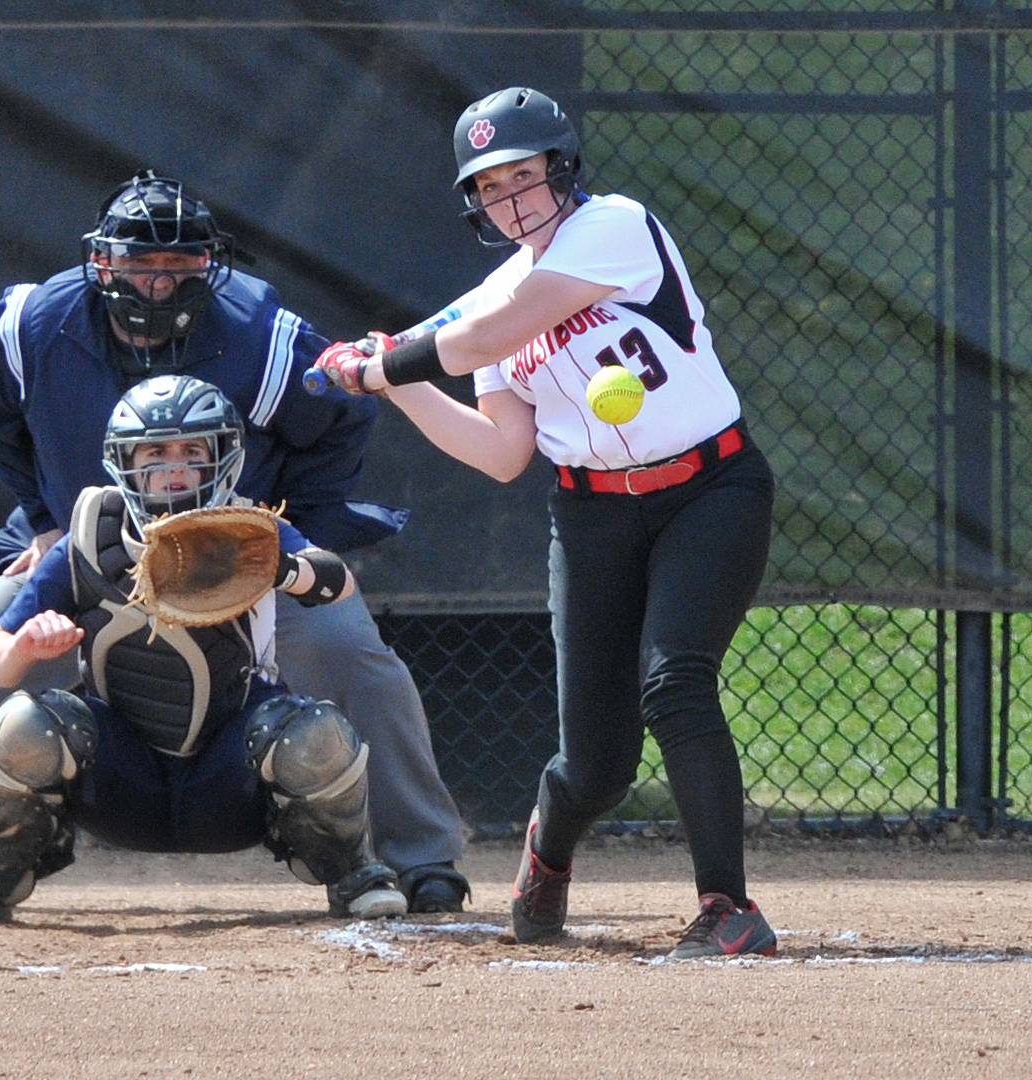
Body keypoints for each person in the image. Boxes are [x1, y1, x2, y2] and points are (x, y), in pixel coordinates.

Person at [0, 170, 469, 916]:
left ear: (210, 266)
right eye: (139, 262)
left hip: (235, 554)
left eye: (180, 264)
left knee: (351, 651)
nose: (158, 281)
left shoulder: (261, 336)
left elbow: (342, 423)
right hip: (92, 546)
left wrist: (277, 541)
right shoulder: (33, 324)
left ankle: (420, 856)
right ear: (101, 262)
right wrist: (47, 519)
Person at [312, 88, 778, 958]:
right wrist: (398, 382)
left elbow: (485, 337)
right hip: (592, 515)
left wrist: (382, 366)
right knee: (596, 767)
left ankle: (729, 909)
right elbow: (500, 451)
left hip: (710, 490)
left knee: (675, 682)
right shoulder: (493, 299)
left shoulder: (613, 228)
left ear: (561, 168)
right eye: (490, 187)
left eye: (524, 175)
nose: (512, 198)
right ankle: (548, 851)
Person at [0, 375, 407, 926]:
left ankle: (352, 875)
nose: (174, 468)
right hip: (121, 781)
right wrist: (25, 647)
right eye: (154, 453)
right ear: (123, 462)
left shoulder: (250, 530)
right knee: (25, 723)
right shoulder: (90, 537)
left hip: (231, 782)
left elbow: (338, 584)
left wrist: (280, 568)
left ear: (222, 457)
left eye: (192, 451)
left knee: (314, 731)